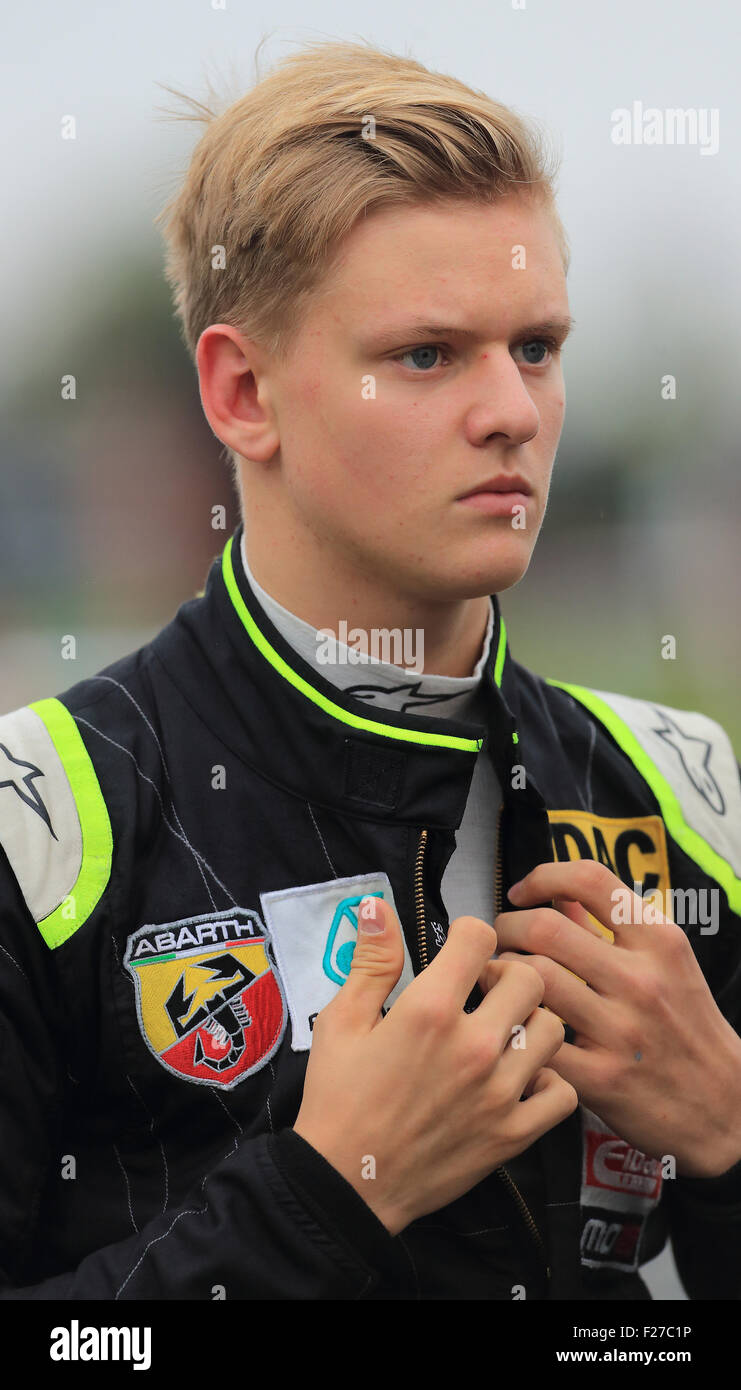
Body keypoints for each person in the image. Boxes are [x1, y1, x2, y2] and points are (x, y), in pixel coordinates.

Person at [1, 37, 739, 1302]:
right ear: (243, 393)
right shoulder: (47, 821)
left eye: (540, 348)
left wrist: (729, 1136)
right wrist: (329, 1193)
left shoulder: (688, 792)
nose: (511, 408)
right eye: (428, 355)